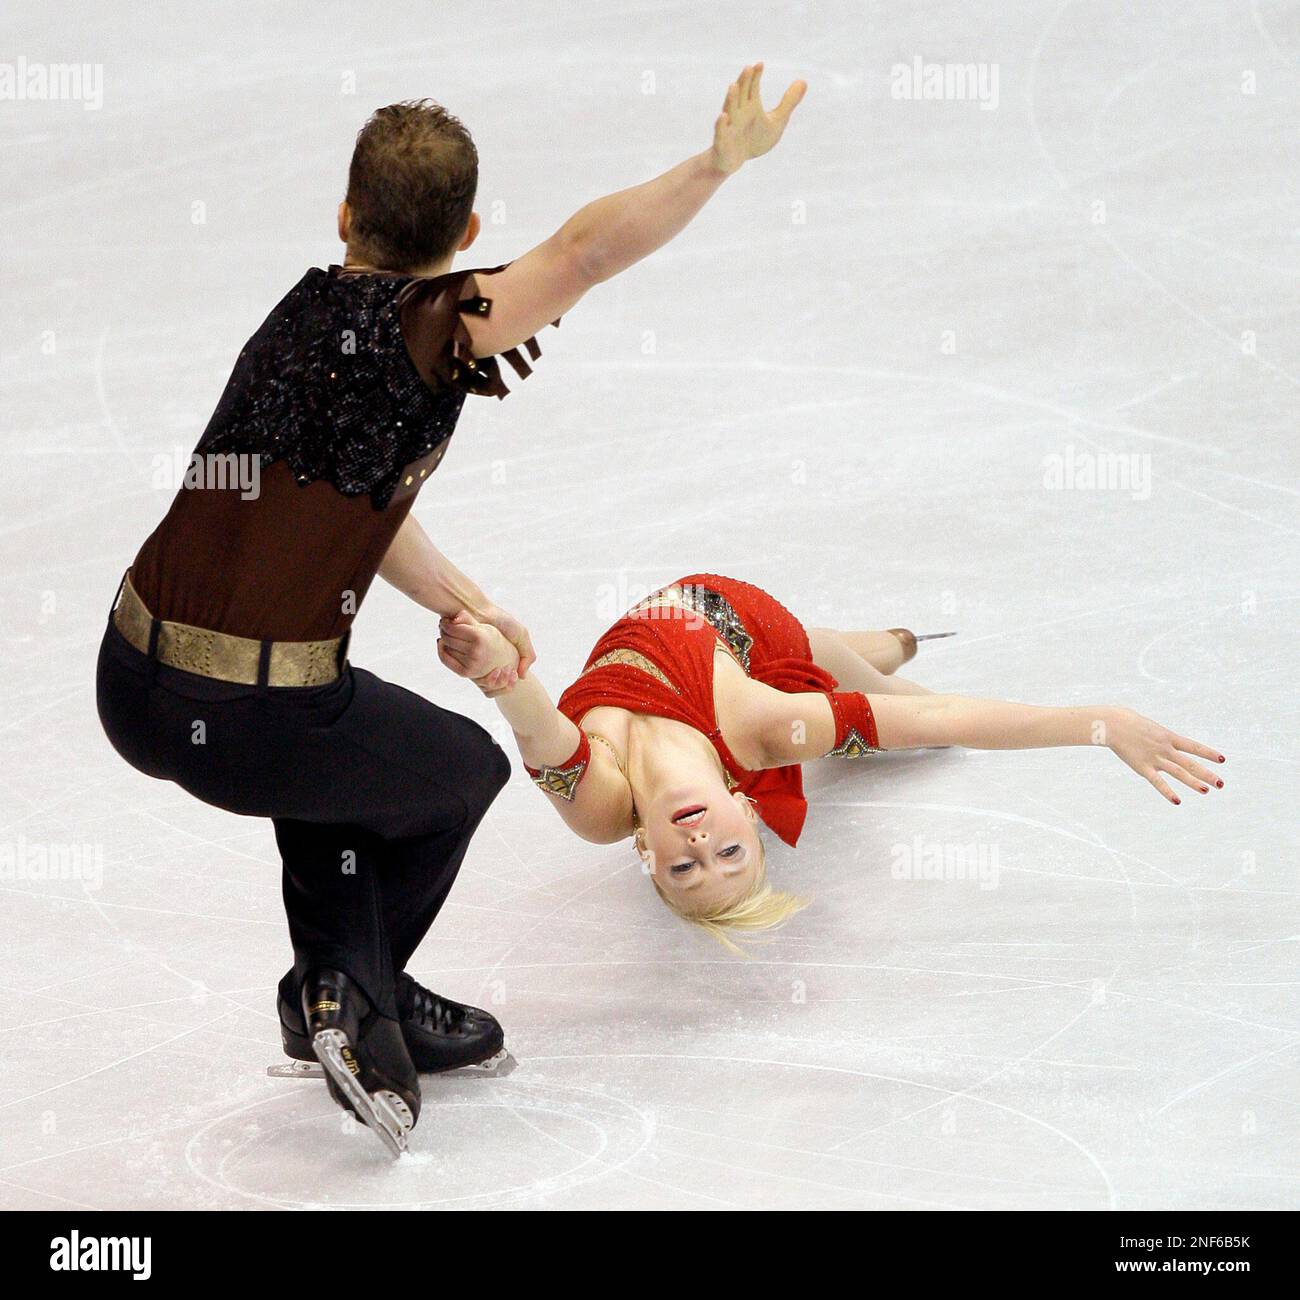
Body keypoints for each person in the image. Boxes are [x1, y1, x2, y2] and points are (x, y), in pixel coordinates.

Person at [95, 65, 808, 1155]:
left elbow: (357, 502)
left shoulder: (300, 317)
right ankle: (348, 994)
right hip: (245, 714)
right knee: (458, 772)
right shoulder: (432, 325)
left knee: (341, 760)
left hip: (131, 682)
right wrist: (716, 162)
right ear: (470, 230)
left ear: (344, 215)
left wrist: (471, 601)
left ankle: (347, 990)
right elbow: (581, 254)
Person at [437, 573, 1227, 951]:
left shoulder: (602, 809)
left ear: (649, 855)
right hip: (746, 633)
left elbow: (529, 714)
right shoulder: (770, 730)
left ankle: (876, 641)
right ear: (749, 811)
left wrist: (497, 667)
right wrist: (1101, 722)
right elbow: (944, 714)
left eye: (687, 870)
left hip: (705, 629)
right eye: (731, 855)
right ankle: (880, 648)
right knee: (905, 702)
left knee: (852, 655)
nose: (700, 845)